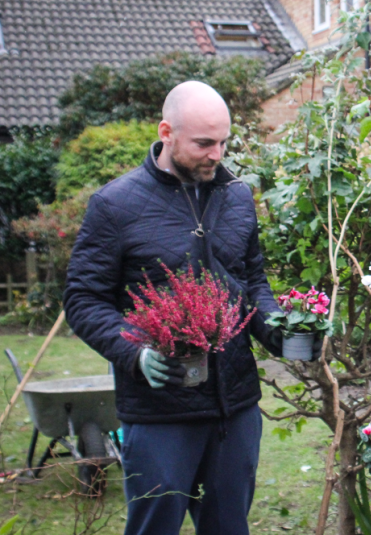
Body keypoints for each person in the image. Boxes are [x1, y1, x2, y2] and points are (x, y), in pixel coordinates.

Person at [64, 81, 312, 535]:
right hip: (160, 412)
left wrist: (280, 328)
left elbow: (250, 280)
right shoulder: (115, 206)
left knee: (228, 527)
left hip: (234, 407)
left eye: (223, 142)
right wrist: (134, 350)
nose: (217, 154)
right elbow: (83, 299)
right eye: (204, 143)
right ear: (166, 132)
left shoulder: (236, 195)